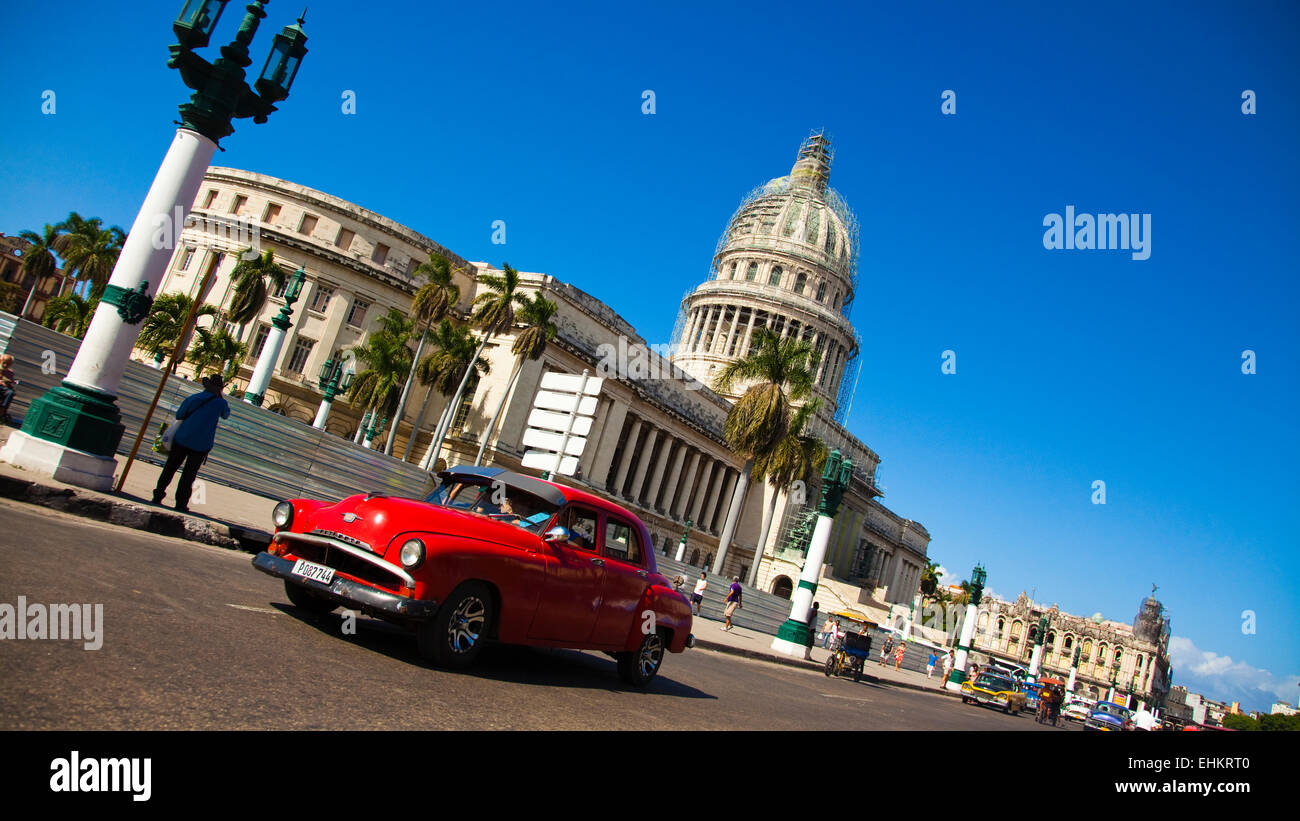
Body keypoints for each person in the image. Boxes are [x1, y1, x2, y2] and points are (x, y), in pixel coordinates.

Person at [152, 373, 230, 512]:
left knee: (170, 468)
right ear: (220, 389)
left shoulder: (194, 398)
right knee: (189, 475)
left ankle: (158, 495)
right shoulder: (221, 403)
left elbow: (179, 415)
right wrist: (220, 397)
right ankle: (181, 504)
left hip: (182, 439)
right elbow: (226, 415)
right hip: (201, 445)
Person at [0, 354, 17, 426]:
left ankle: (2, 412)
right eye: (4, 363)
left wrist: (11, 382)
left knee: (10, 393)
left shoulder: (10, 373)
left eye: (8, 364)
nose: (5, 365)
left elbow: (10, 382)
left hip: (5, 389)